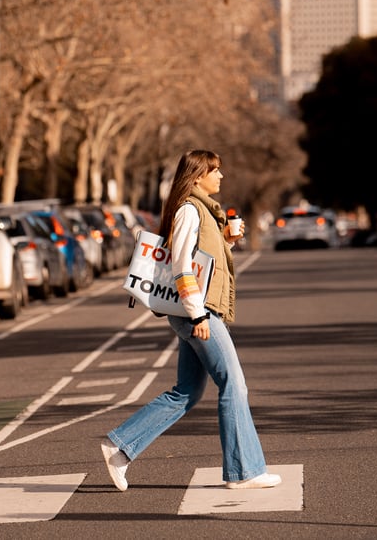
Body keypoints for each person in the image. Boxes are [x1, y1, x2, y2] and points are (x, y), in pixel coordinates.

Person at [101, 149, 281, 491]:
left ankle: (119, 448)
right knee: (233, 384)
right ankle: (244, 471)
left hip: (197, 310)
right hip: (198, 312)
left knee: (187, 392)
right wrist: (198, 313)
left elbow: (203, 260)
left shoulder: (203, 211)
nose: (221, 176)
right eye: (215, 170)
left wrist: (227, 240)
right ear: (198, 176)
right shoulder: (188, 210)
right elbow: (182, 266)